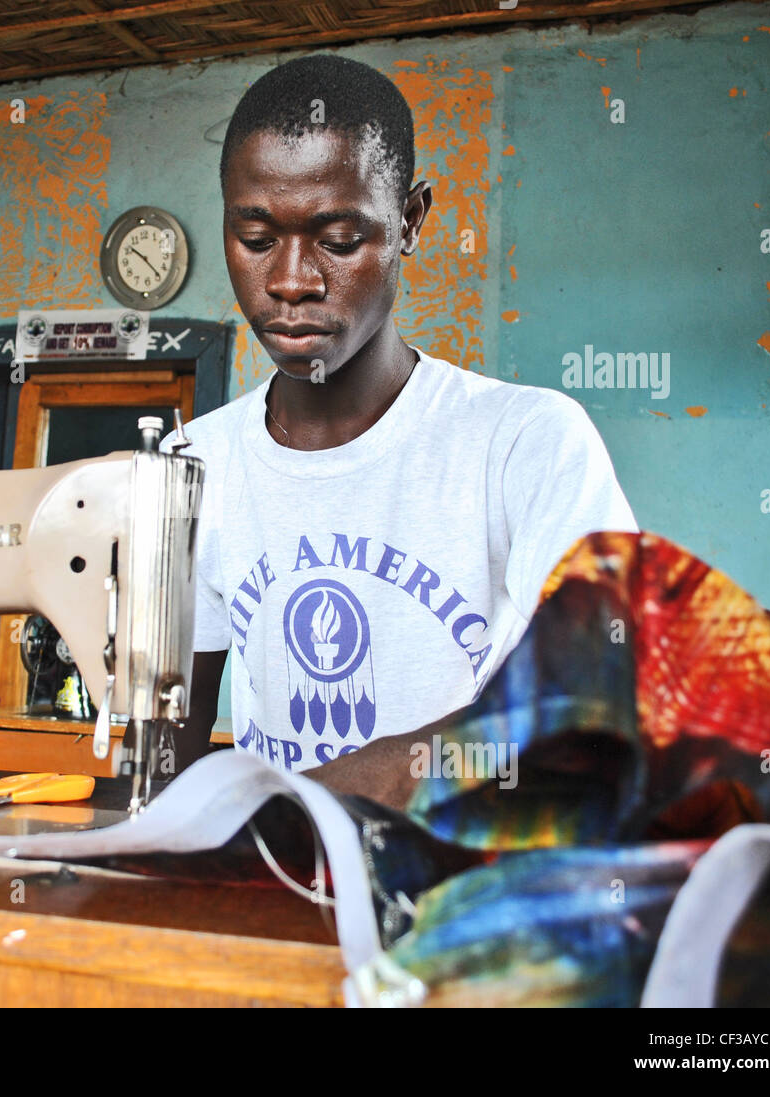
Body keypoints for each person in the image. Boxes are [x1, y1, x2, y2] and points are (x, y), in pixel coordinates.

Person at [171, 55, 636, 806]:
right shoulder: (194, 465)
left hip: (467, 888)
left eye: (339, 238)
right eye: (256, 238)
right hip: (281, 897)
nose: (292, 279)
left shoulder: (526, 443)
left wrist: (297, 805)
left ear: (412, 221)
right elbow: (168, 753)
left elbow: (602, 703)